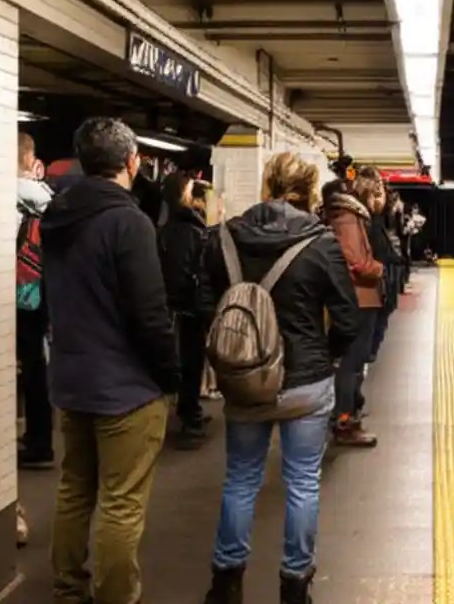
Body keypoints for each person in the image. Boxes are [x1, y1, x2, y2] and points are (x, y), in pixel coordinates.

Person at [203, 152, 358, 604]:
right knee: (303, 482)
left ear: (266, 184)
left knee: (240, 480)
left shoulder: (225, 239)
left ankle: (226, 584)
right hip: (305, 384)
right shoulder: (322, 243)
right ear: (311, 191)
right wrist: (324, 356)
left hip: (245, 380)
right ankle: (294, 586)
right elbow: (348, 319)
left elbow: (207, 302)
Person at [41, 117, 180, 604]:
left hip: (72, 378)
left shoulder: (56, 216)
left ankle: (67, 589)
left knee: (75, 489)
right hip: (126, 386)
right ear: (131, 161)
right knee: (122, 504)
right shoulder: (128, 221)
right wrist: (170, 375)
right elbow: (149, 311)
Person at [323, 169, 384, 446]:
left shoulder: (346, 217)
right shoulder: (348, 220)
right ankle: (345, 422)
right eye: (377, 192)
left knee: (352, 363)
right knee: (352, 364)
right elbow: (356, 263)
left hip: (358, 298)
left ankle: (347, 414)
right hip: (359, 298)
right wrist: (379, 269)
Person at [158, 174, 216, 449]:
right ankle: (189, 415)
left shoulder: (168, 228)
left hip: (182, 306)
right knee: (190, 363)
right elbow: (185, 272)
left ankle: (189, 409)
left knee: (190, 361)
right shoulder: (188, 230)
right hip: (188, 308)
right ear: (184, 196)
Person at [16, 132, 55, 469]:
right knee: (32, 363)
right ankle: (38, 437)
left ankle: (38, 440)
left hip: (13, 288)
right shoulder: (33, 191)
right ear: (29, 158)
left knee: (29, 364)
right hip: (32, 286)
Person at [367, 187, 403, 366]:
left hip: (378, 284)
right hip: (373, 286)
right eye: (378, 194)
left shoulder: (376, 221)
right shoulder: (371, 223)